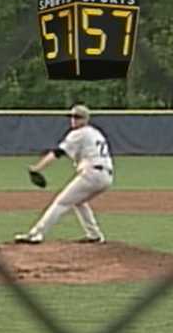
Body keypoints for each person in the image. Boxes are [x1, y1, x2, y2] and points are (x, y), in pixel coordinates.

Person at [15, 104, 113, 244]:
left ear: (85, 119)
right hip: (105, 176)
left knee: (61, 202)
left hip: (93, 174)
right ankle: (94, 235)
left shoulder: (79, 133)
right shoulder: (95, 132)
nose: (73, 119)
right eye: (72, 116)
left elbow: (58, 153)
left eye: (77, 117)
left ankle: (36, 234)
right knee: (78, 202)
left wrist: (37, 167)